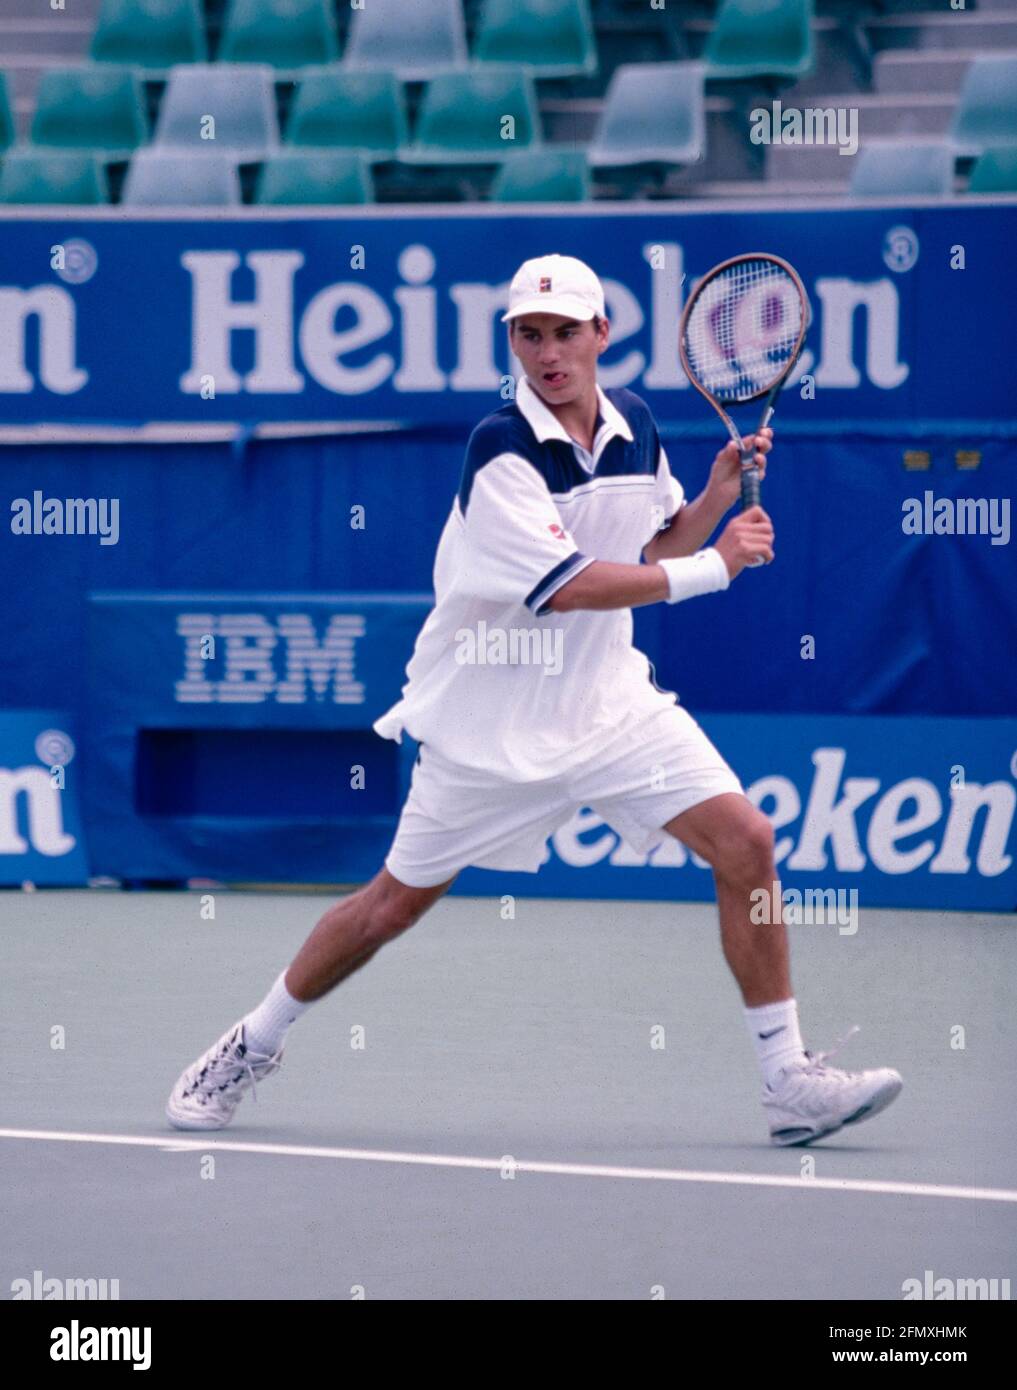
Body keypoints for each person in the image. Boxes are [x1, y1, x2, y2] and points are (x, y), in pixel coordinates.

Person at [166, 254, 902, 1147]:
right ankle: (254, 1041)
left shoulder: (634, 423)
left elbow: (654, 540)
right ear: (511, 341)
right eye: (527, 334)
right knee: (389, 908)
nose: (546, 352)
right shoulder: (498, 449)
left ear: (601, 335)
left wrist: (711, 497)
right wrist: (716, 566)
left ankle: (788, 1078)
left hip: (609, 707)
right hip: (490, 728)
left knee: (745, 840)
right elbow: (568, 585)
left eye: (563, 332)